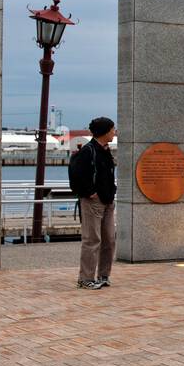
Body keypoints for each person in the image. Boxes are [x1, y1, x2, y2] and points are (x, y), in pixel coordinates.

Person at [68, 117, 117, 289]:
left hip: (108, 201)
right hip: (93, 202)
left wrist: (111, 192)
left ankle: (103, 275)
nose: (114, 132)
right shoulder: (88, 151)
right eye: (112, 129)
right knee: (92, 239)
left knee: (109, 239)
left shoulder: (105, 150)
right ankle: (85, 278)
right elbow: (77, 174)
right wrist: (90, 192)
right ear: (104, 131)